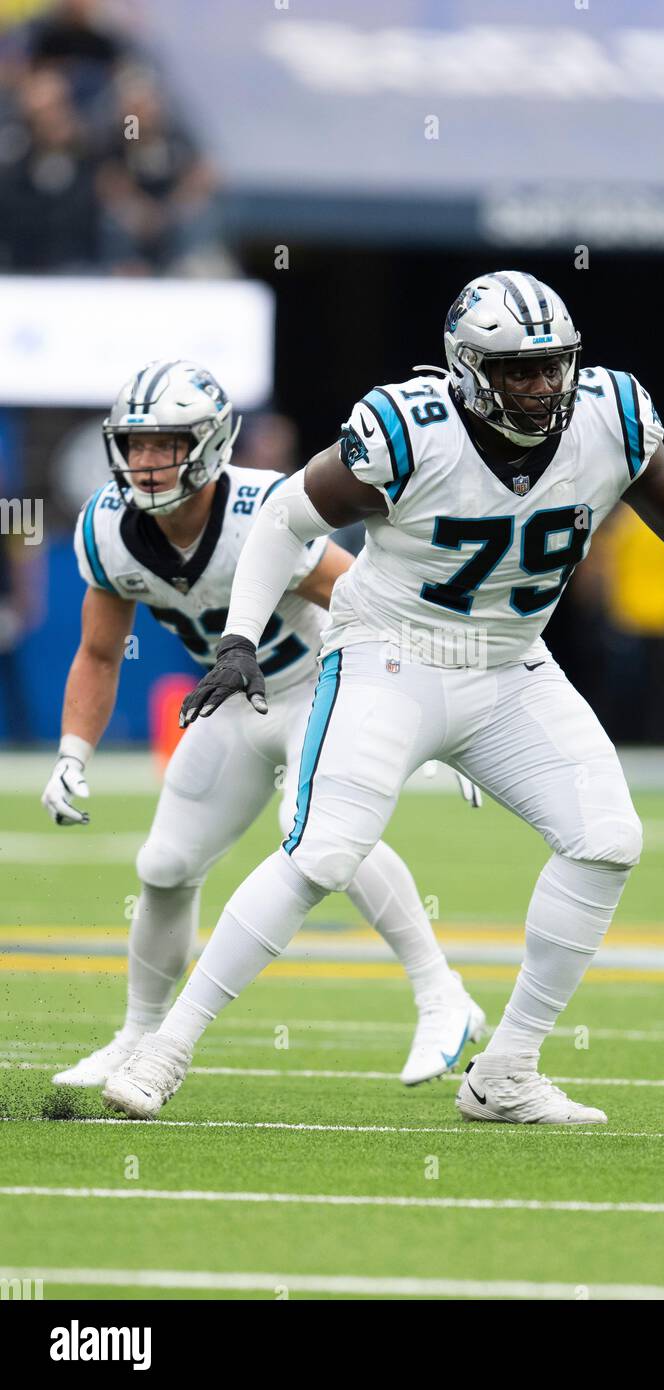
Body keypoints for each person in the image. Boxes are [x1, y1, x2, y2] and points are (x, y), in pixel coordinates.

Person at [104, 274, 664, 1125]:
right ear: (469, 370)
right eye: (520, 371)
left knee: (607, 838)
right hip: (389, 654)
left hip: (509, 665)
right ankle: (164, 1051)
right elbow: (286, 519)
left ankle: (506, 1072)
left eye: (554, 366)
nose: (544, 386)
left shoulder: (609, 415)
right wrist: (240, 637)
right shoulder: (409, 430)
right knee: (323, 851)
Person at [41, 359, 484, 1090]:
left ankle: (443, 995)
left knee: (315, 829)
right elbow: (97, 652)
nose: (148, 463)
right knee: (163, 867)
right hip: (233, 704)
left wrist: (442, 708)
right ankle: (137, 1036)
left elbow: (365, 594)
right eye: (137, 445)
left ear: (213, 444)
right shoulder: (107, 530)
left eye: (167, 444)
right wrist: (71, 751)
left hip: (321, 684)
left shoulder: (261, 511)